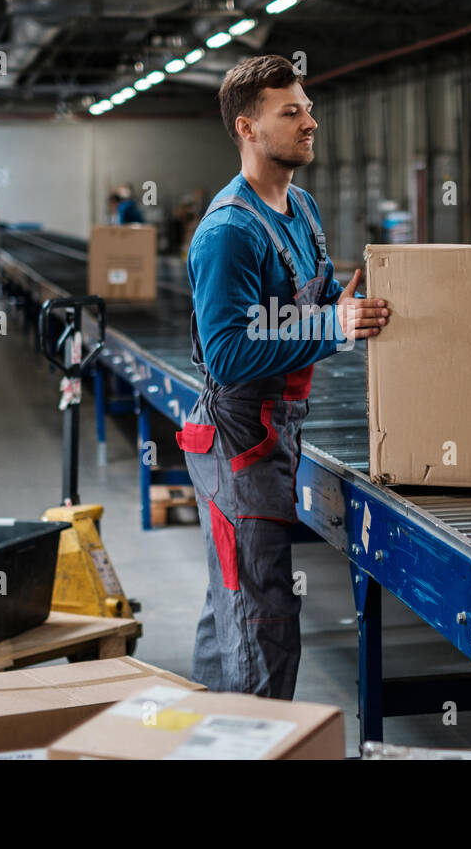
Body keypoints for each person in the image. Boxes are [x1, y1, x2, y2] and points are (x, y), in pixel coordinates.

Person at [177, 54, 390, 699]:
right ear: (247, 127)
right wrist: (333, 328)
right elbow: (229, 355)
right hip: (238, 443)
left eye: (309, 108)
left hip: (276, 435)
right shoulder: (228, 232)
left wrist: (344, 310)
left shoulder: (301, 208)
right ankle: (258, 741)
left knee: (234, 604)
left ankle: (210, 740)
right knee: (260, 614)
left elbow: (313, 304)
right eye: (290, 112)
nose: (310, 122)